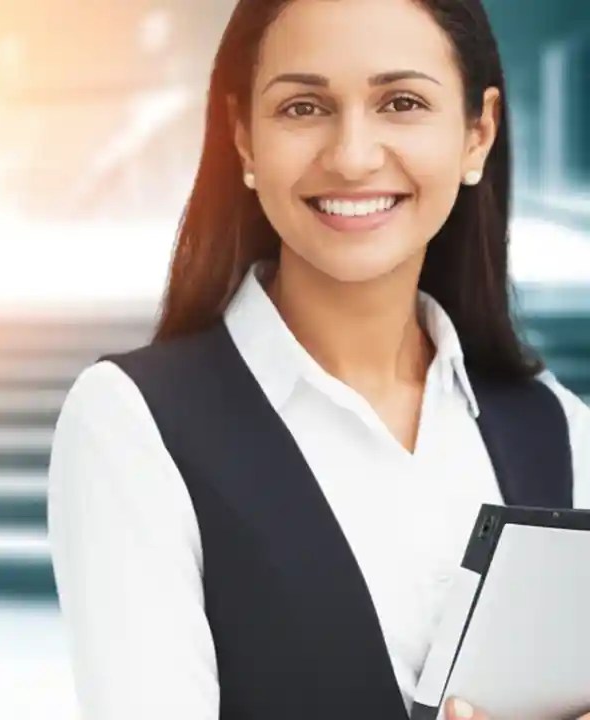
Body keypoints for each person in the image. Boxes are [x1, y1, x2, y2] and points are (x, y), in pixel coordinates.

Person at [45, 1, 590, 719]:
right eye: (304, 107)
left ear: (476, 134)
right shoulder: (133, 427)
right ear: (243, 138)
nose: (353, 155)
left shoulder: (558, 430)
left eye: (401, 102)